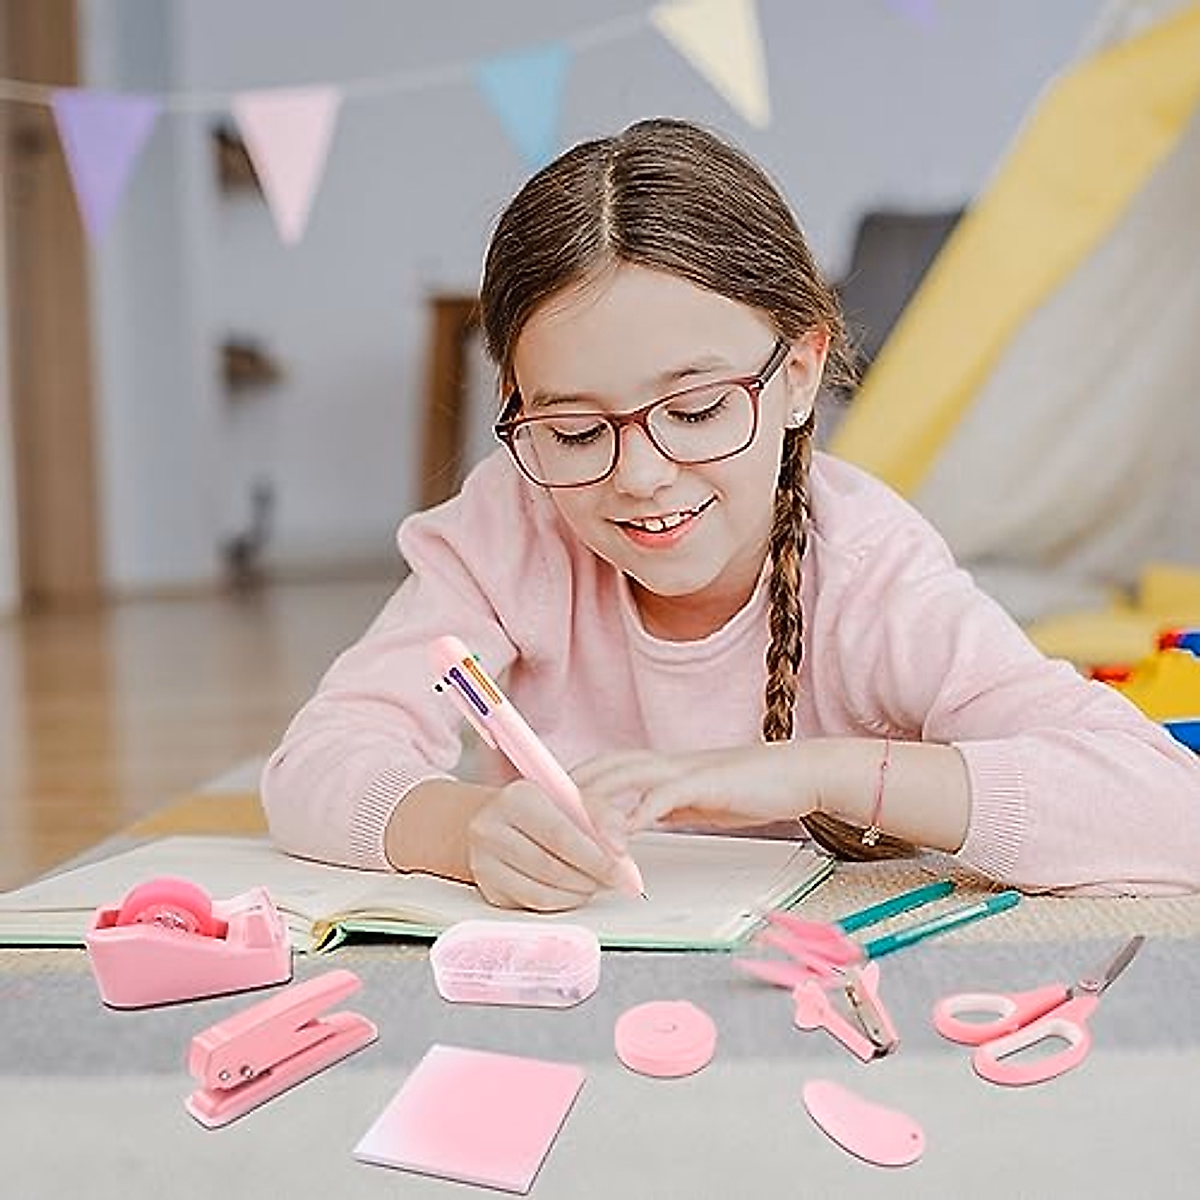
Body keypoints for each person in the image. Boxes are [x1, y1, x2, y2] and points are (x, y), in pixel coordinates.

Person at [261, 117, 1200, 910]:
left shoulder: (869, 567)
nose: (641, 476)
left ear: (799, 374)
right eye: (576, 431)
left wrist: (815, 772)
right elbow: (316, 763)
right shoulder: (513, 522)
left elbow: (1170, 808)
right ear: (517, 404)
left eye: (698, 411)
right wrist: (460, 829)